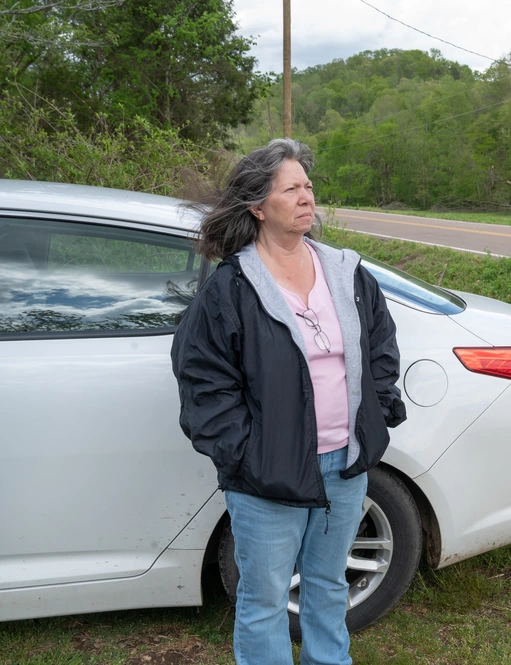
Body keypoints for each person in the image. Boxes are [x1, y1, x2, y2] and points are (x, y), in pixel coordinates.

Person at [171, 138, 406, 665]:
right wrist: (248, 455)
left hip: (344, 465)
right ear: (258, 207)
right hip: (267, 473)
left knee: (326, 584)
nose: (307, 197)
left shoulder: (347, 274)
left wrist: (374, 416)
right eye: (291, 188)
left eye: (308, 186)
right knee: (264, 599)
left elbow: (381, 349)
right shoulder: (230, 289)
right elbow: (203, 383)